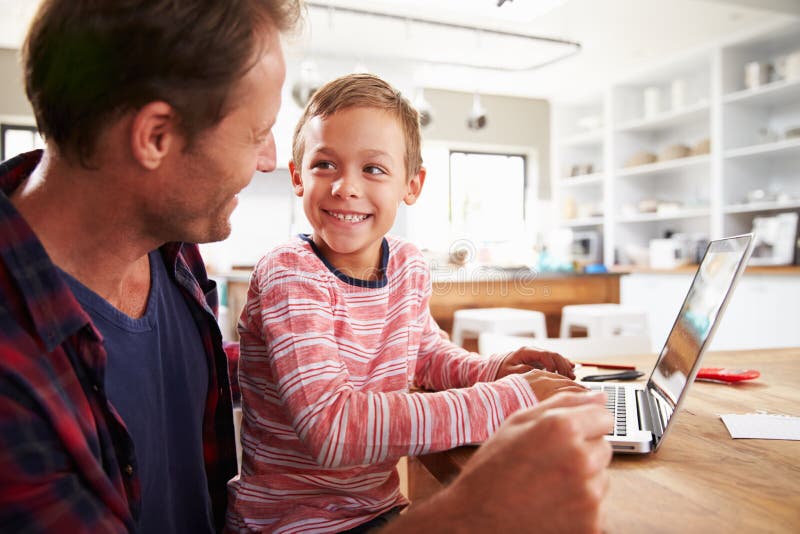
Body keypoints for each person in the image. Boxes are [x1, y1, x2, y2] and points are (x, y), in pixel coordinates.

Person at [0, 1, 611, 533]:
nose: (271, 162)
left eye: (374, 169)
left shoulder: (165, 249)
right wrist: (471, 508)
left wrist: (491, 371)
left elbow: (386, 350)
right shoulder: (14, 385)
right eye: (259, 133)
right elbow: (328, 420)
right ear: (156, 137)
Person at [226, 73, 592, 533]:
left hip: (375, 510)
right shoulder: (291, 273)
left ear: (411, 185)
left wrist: (494, 369)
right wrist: (507, 399)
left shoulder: (406, 263)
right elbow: (331, 430)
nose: (346, 187)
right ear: (298, 176)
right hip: (289, 525)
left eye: (373, 169)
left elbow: (423, 352)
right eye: (325, 165)